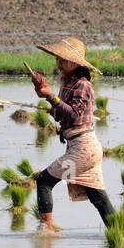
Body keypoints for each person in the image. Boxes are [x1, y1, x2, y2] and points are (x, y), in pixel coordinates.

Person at [27, 37, 116, 233]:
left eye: (64, 59)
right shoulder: (68, 83)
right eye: (58, 59)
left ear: (76, 63)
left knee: (44, 181)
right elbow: (65, 115)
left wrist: (50, 95)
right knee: (97, 196)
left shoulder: (83, 84)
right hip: (84, 148)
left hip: (82, 149)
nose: (59, 63)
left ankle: (46, 232)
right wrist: (50, 103)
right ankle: (120, 235)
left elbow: (74, 115)